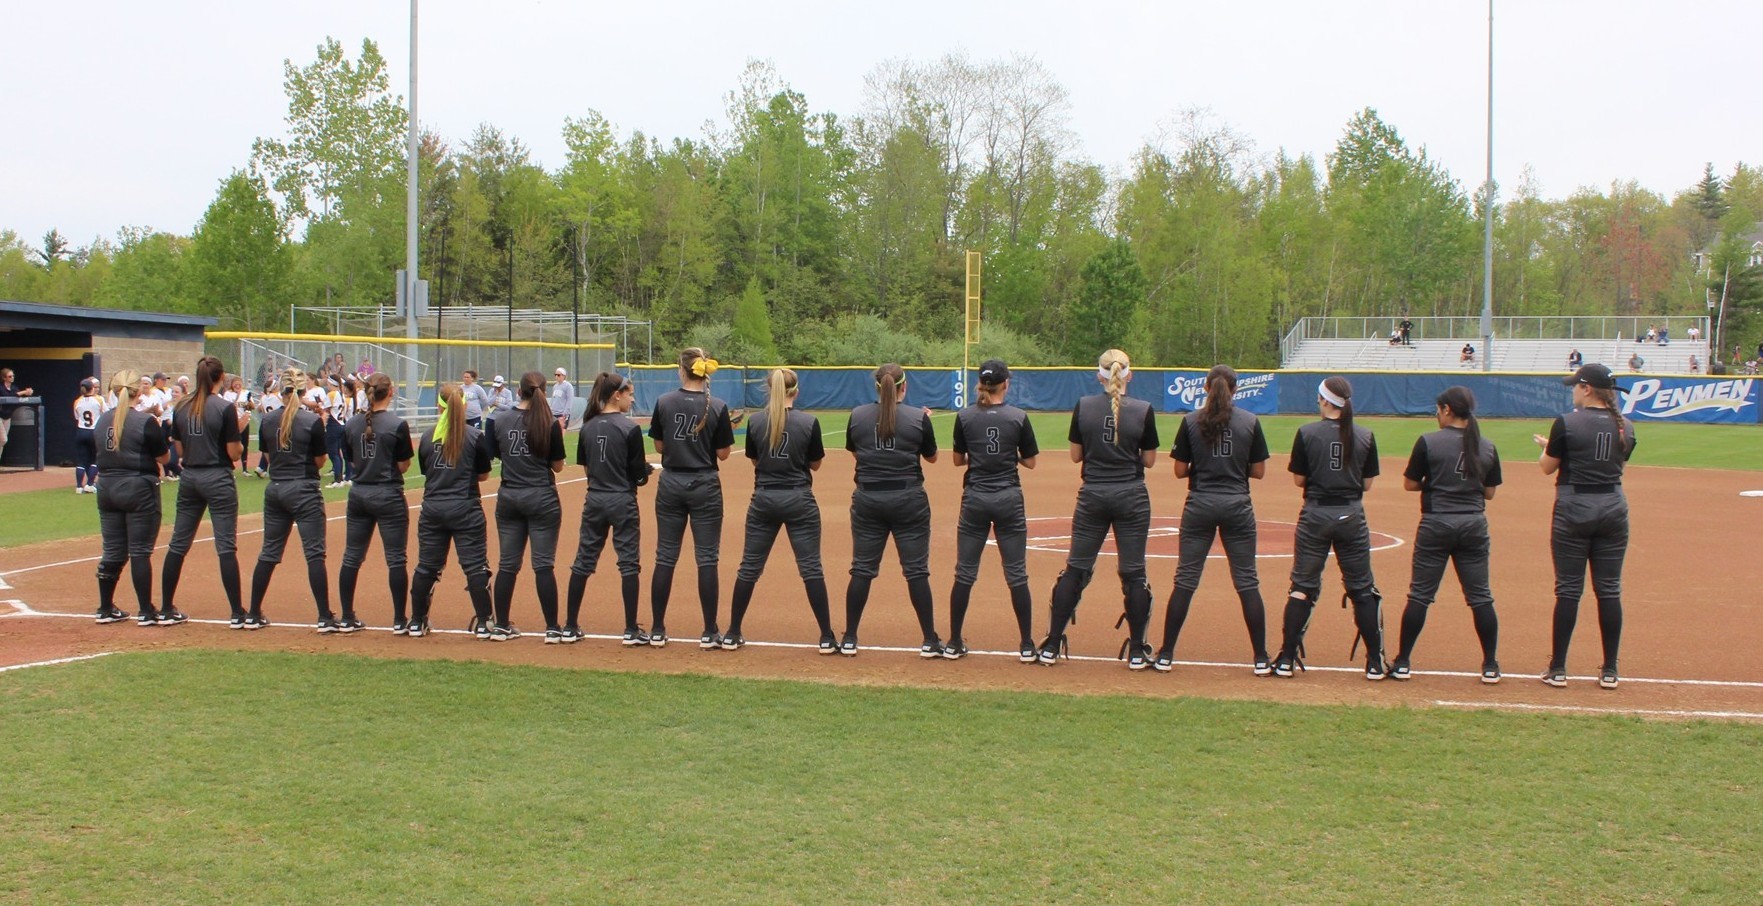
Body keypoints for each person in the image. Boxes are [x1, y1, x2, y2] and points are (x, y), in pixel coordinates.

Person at [1037, 349, 1160, 669]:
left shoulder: (1084, 406)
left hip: (1093, 494)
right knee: (1134, 573)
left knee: (1076, 568)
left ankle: (1052, 644)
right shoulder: (1143, 409)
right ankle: (1137, 650)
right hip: (1131, 495)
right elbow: (1149, 460)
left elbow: (1076, 456)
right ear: (1129, 375)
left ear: (1099, 376)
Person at [1157, 365, 1272, 674]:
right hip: (1237, 504)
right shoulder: (1250, 421)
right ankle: (1261, 657)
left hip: (1200, 503)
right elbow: (1259, 471)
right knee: (1247, 581)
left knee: (1185, 580)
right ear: (1235, 390)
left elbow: (1179, 470)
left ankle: (1166, 653)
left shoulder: (1190, 421)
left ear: (1206, 387)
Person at [1533, 363, 1636, 690]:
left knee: (1568, 590)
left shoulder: (1566, 422)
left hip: (1574, 507)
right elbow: (1615, 462)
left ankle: (1558, 669)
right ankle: (1610, 669)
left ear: (1587, 388)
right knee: (1609, 590)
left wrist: (1548, 447)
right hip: (1612, 506)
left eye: (1576, 386)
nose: (1574, 391)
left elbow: (1547, 467)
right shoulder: (1626, 426)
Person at [1274, 376, 1385, 680]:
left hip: (1315, 514)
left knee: (1302, 587)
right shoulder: (1365, 435)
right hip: (1351, 515)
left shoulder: (1307, 433)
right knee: (1361, 588)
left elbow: (1299, 479)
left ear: (1325, 401)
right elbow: (1367, 484)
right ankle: (1375, 662)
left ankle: (1286, 659)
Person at [1390, 387, 1503, 684]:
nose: (1437, 415)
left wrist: (1434, 483)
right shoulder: (1486, 445)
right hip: (1473, 523)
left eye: (1438, 410)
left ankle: (1403, 661)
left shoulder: (1429, 441)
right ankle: (1490, 664)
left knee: (1420, 595)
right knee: (1480, 596)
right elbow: (1489, 492)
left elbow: (1409, 484)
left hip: (1436, 522)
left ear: (1447, 409)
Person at [724, 368, 834, 652]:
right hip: (798, 497)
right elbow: (815, 464)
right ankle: (826, 636)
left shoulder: (757, 421)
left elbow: (755, 460)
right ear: (795, 391)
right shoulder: (808, 422)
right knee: (811, 568)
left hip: (764, 497)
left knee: (749, 567)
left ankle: (732, 632)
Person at [842, 362, 943, 657]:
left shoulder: (857, 415)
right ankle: (929, 640)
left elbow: (856, 452)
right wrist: (922, 422)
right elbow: (932, 457)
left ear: (877, 387)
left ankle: (849, 637)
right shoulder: (917, 418)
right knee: (916, 571)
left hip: (868, 498)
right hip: (908, 499)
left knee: (862, 569)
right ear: (904, 387)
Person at [946, 359, 1039, 662]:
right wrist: (1010, 455)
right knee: (1016, 573)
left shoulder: (965, 416)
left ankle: (954, 641)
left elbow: (958, 461)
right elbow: (1031, 461)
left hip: (976, 497)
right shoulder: (1018, 417)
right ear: (1006, 384)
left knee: (965, 572)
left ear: (980, 385)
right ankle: (1027, 644)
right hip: (1008, 497)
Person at [647, 348, 736, 649]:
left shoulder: (664, 402)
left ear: (682, 369)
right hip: (704, 483)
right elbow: (723, 454)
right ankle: (710, 631)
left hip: (672, 481)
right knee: (707, 558)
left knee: (665, 556)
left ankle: (657, 629)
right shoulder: (717, 405)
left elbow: (660, 446)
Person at [161, 356, 249, 627]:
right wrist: (239, 434)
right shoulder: (224, 407)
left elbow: (179, 450)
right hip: (217, 476)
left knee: (178, 544)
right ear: (220, 377)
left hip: (190, 476)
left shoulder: (181, 406)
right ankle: (237, 612)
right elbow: (234, 453)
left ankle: (165, 608)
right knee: (225, 546)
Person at [566, 373, 653, 645]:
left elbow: (587, 469)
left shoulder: (588, 426)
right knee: (628, 562)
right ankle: (630, 629)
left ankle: (569, 625)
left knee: (583, 560)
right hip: (622, 499)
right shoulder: (629, 428)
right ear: (617, 395)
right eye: (629, 394)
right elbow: (638, 476)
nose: (632, 399)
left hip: (595, 498)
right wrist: (645, 471)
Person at [409, 383, 497, 639]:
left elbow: (426, 471)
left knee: (427, 566)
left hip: (433, 508)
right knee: (475, 565)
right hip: (465, 507)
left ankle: (416, 621)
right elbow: (483, 474)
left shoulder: (428, 436)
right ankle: (485, 623)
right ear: (464, 405)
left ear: (439, 406)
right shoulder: (474, 436)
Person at [249, 367, 334, 631]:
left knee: (269, 552)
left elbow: (267, 456)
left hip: (276, 487)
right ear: (303, 391)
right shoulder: (311, 421)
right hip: (304, 488)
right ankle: (324, 616)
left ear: (282, 391)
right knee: (314, 553)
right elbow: (320, 460)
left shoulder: (268, 420)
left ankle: (253, 612)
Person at [490, 371, 567, 641]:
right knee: (543, 565)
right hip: (541, 495)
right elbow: (557, 466)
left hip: (510, 494)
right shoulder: (549, 422)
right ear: (543, 392)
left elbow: (496, 453)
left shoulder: (499, 420)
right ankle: (552, 628)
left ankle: (501, 625)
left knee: (508, 564)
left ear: (518, 391)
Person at [91, 370, 171, 625]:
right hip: (138, 487)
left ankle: (105, 607)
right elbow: (164, 458)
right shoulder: (145, 421)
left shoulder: (103, 420)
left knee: (113, 549)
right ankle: (146, 610)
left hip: (107, 487)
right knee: (140, 551)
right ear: (139, 391)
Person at [337, 373, 415, 634]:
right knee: (396, 558)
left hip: (359, 493)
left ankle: (347, 617)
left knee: (352, 556)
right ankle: (399, 620)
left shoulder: (352, 424)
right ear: (390, 392)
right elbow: (403, 465)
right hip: (388, 493)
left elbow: (351, 460)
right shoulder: (397, 424)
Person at [73, 377, 104, 494]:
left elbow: (76, 417)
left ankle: (78, 486)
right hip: (94, 431)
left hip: (81, 431)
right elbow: (105, 413)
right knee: (96, 459)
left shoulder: (77, 401)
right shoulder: (98, 400)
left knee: (81, 460)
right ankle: (90, 484)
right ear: (92, 388)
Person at [222, 375, 255, 476]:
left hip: (244, 421)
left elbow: (252, 406)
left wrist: (247, 403)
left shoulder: (246, 393)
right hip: (232, 422)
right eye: (235, 384)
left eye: (239, 384)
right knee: (231, 443)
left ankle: (245, 469)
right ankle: (230, 468)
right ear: (232, 384)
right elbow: (225, 405)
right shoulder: (228, 394)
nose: (237, 386)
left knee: (244, 444)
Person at [324, 376, 353, 488]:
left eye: (328, 383)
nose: (327, 386)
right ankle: (342, 478)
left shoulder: (332, 394)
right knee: (339, 453)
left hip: (333, 425)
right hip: (341, 424)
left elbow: (325, 409)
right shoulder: (342, 395)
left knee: (333, 453)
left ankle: (338, 479)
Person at [0, 366, 33, 462]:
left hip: (7, 416)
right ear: (4, 378)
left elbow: (18, 394)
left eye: (13, 376)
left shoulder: (14, 388)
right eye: (10, 376)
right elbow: (8, 396)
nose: (12, 378)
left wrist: (27, 392)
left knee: (1, 442)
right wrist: (23, 392)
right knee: (3, 439)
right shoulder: (1, 388)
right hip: (0, 416)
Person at [254, 375, 281, 478]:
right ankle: (274, 468)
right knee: (276, 447)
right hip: (277, 423)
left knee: (267, 447)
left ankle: (262, 467)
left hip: (266, 423)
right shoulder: (278, 395)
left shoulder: (264, 397)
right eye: (276, 386)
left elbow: (259, 409)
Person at [551, 367, 576, 433]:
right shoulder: (555, 386)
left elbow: (569, 400)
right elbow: (553, 400)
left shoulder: (568, 386)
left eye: (558, 375)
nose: (556, 376)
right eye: (555, 374)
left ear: (563, 376)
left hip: (562, 414)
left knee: (561, 434)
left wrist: (565, 414)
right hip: (554, 413)